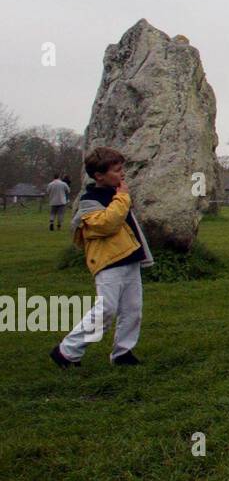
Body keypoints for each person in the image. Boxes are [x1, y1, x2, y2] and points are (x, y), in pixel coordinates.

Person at [50, 147, 152, 368]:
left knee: (132, 310)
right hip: (108, 263)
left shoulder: (115, 194)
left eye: (122, 169)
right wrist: (123, 197)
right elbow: (107, 223)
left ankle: (123, 352)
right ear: (99, 175)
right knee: (106, 309)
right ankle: (67, 351)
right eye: (117, 170)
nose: (122, 174)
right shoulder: (90, 200)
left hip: (129, 258)